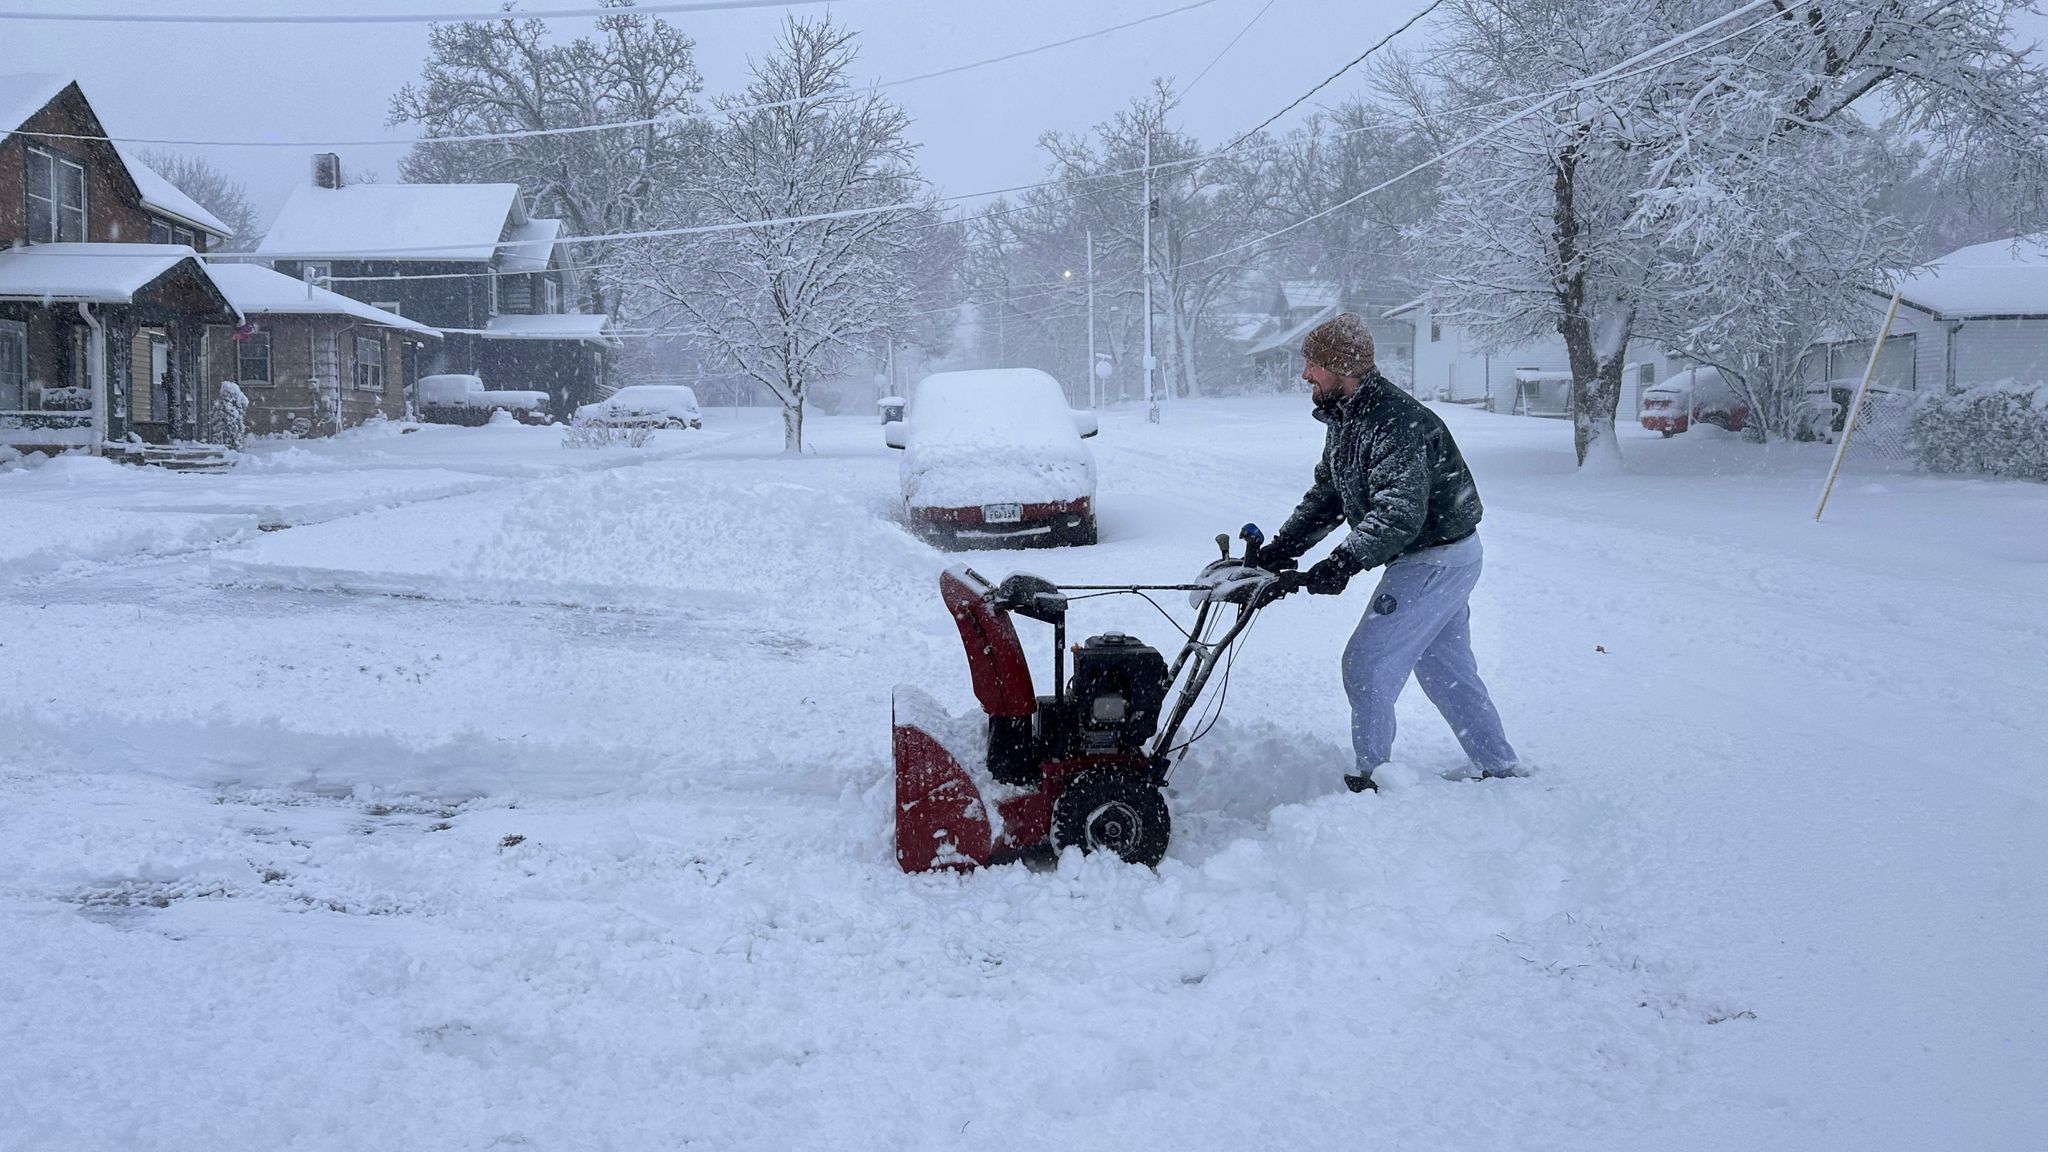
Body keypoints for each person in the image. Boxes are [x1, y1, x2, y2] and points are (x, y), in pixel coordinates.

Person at [1255, 313, 1522, 792]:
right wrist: (1281, 549)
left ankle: (1371, 777)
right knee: (1446, 671)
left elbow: (1398, 513)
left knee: (1366, 664)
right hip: (1441, 556)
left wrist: (1342, 563)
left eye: (1313, 364)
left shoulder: (1391, 421)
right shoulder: (1348, 415)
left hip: (1435, 558)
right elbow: (1329, 495)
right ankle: (1499, 766)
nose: (1304, 375)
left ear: (1342, 367)